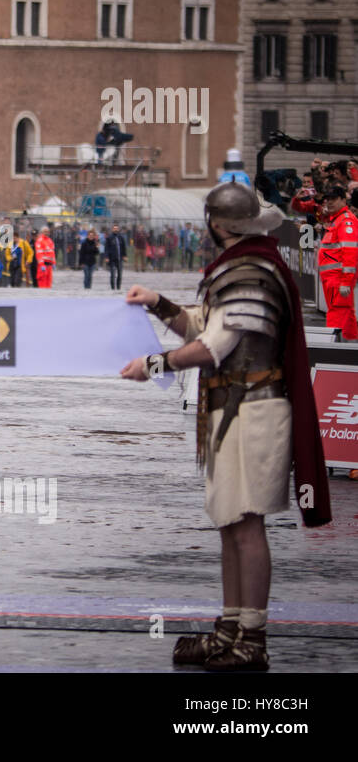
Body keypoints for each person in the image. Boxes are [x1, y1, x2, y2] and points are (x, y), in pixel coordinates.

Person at [121, 182, 331, 670]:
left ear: (218, 224)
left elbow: (213, 346)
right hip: (236, 407)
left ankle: (250, 638)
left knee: (246, 523)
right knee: (231, 522)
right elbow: (204, 325)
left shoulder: (251, 271)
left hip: (253, 409)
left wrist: (152, 365)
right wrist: (157, 303)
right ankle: (231, 627)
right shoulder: (245, 265)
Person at [317, 185, 358, 341]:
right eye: (328, 199)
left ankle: (329, 351)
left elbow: (350, 252)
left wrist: (346, 281)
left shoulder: (346, 221)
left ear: (343, 200)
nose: (330, 202)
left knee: (337, 312)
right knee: (346, 313)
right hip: (334, 279)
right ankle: (350, 350)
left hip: (339, 278)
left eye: (334, 199)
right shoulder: (337, 220)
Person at [103, 224, 126, 291]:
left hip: (120, 259)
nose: (116, 229)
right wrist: (106, 257)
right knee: (113, 274)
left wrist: (124, 256)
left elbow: (123, 248)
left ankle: (118, 287)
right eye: (114, 228)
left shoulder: (121, 237)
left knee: (120, 274)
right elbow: (106, 248)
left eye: (117, 228)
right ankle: (113, 287)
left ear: (118, 229)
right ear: (112, 229)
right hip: (112, 259)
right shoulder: (109, 238)